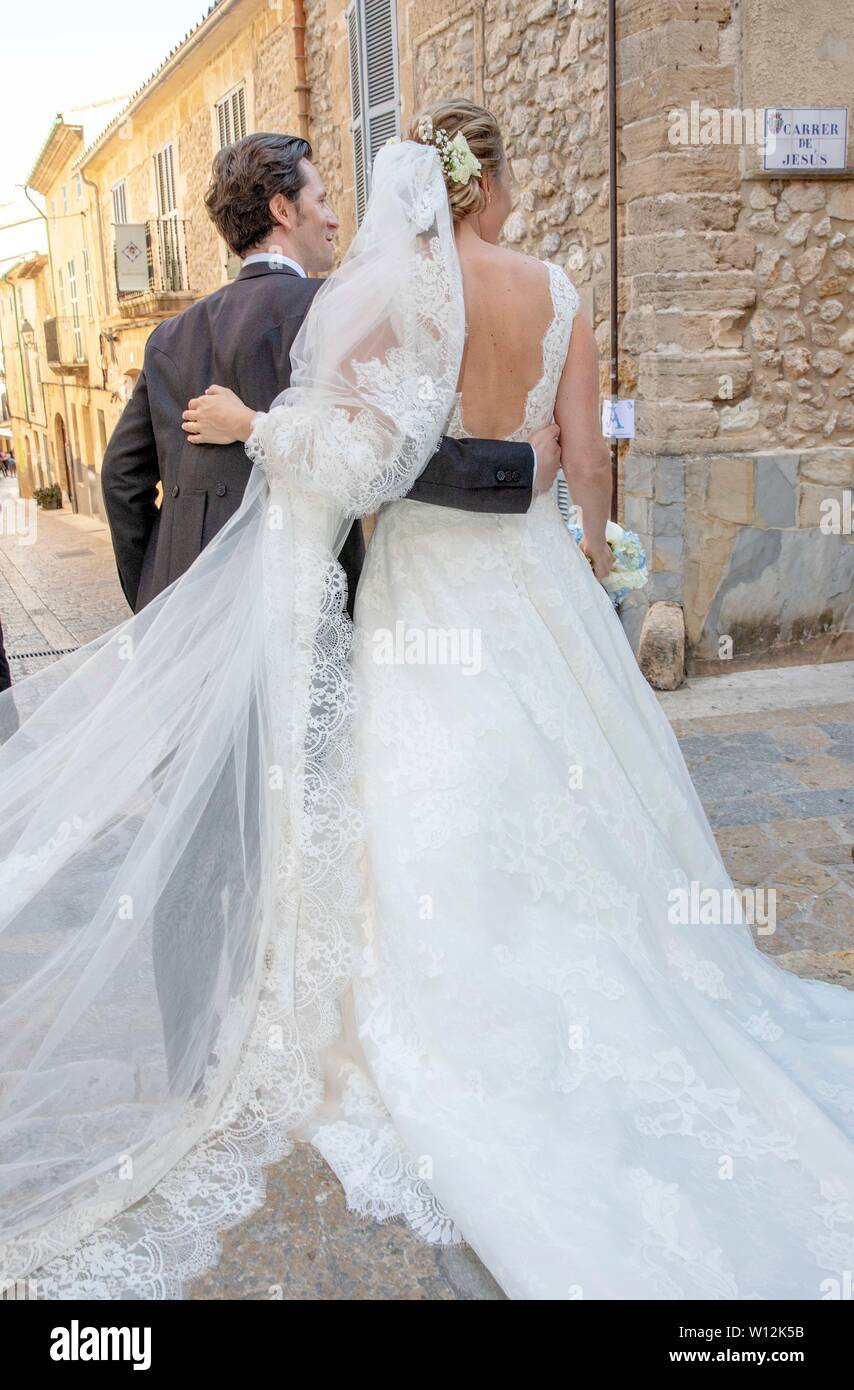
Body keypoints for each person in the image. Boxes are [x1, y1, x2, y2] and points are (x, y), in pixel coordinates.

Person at [0, 104, 852, 1303]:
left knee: (424, 787)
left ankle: (447, 982)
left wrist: (262, 432)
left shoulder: (401, 298)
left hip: (420, 592)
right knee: (575, 773)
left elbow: (364, 462)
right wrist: (601, 560)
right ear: (486, 182)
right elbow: (584, 458)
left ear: (421, 187)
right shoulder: (555, 290)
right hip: (535, 583)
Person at [102, 132, 560, 619]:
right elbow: (389, 456)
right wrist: (519, 467)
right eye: (321, 201)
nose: (335, 218)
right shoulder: (339, 317)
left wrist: (153, 594)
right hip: (302, 608)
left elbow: (120, 479)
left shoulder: (169, 337)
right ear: (282, 210)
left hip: (184, 612)